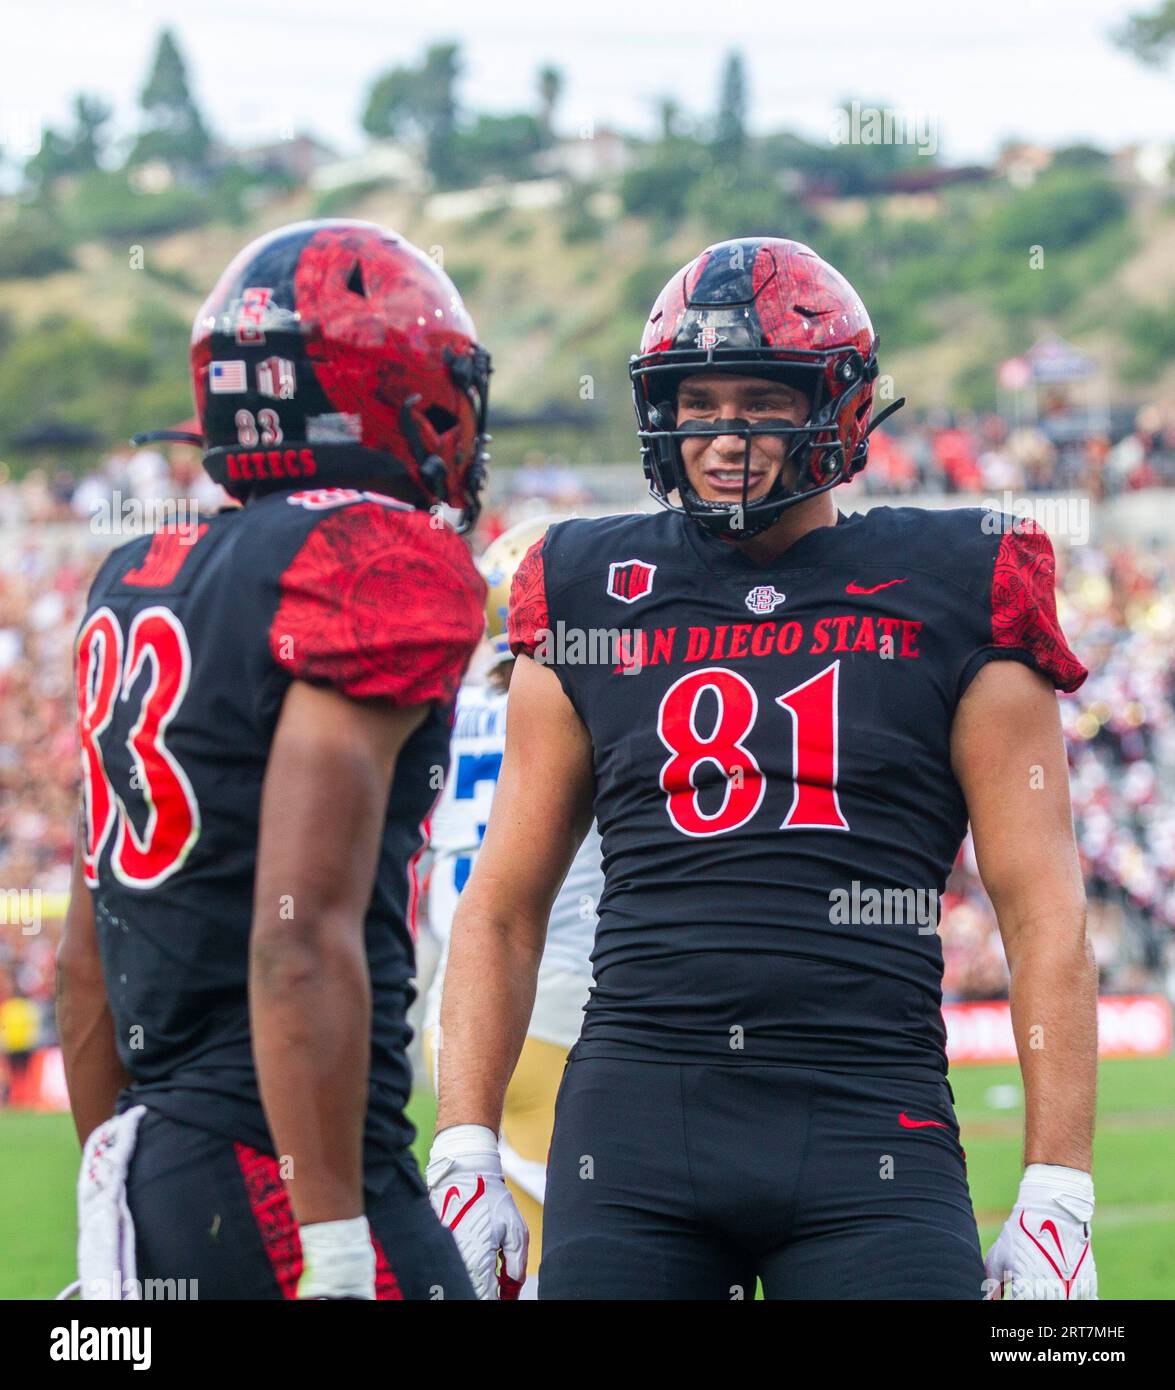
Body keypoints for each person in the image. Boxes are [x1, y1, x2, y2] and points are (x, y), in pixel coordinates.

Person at [432, 237, 1097, 1300]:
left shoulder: (956, 583)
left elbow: (1041, 908)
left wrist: (1057, 1182)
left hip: (867, 1117)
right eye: (696, 402)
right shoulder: (585, 582)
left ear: (835, 407)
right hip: (636, 1119)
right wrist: (462, 1143)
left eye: (759, 400)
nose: (722, 434)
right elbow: (502, 906)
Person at [57, 219, 491, 1301]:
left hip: (157, 1158)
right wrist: (334, 1243)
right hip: (288, 1166)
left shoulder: (141, 572)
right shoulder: (367, 560)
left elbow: (83, 966)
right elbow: (296, 940)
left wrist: (125, 1199)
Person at [422, 517, 601, 1299]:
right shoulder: (581, 694)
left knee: (491, 1252)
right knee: (561, 1262)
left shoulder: (446, 712)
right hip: (558, 997)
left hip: (455, 1013)